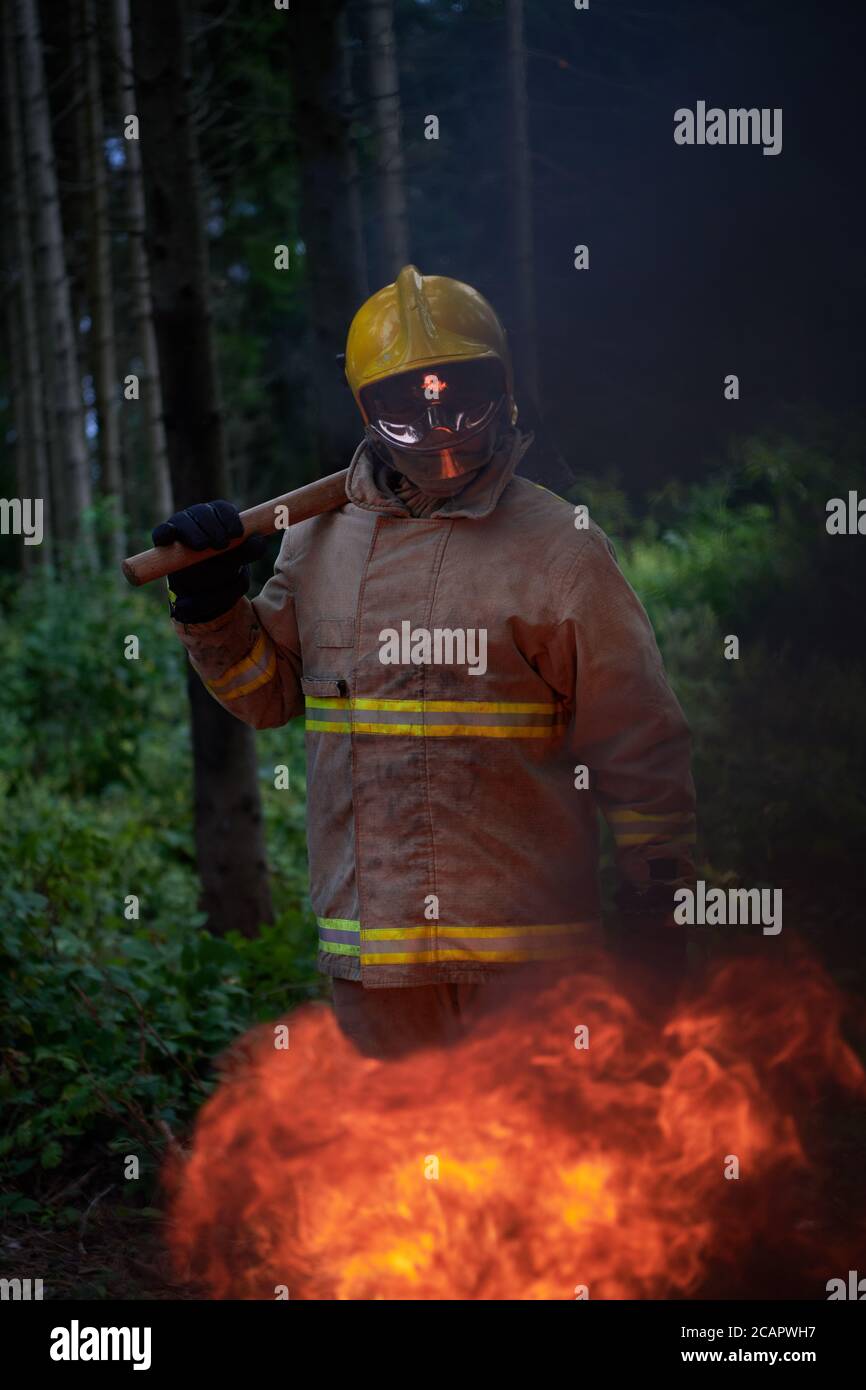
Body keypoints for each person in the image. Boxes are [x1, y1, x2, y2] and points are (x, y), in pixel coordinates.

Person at [154, 265, 696, 1057]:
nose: (440, 432)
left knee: (535, 1178)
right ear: (368, 412)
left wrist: (658, 908)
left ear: (503, 391)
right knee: (391, 1179)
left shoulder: (561, 548)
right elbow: (266, 695)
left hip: (530, 973)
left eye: (461, 400)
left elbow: (640, 744)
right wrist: (209, 604)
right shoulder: (317, 540)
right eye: (408, 409)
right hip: (375, 978)